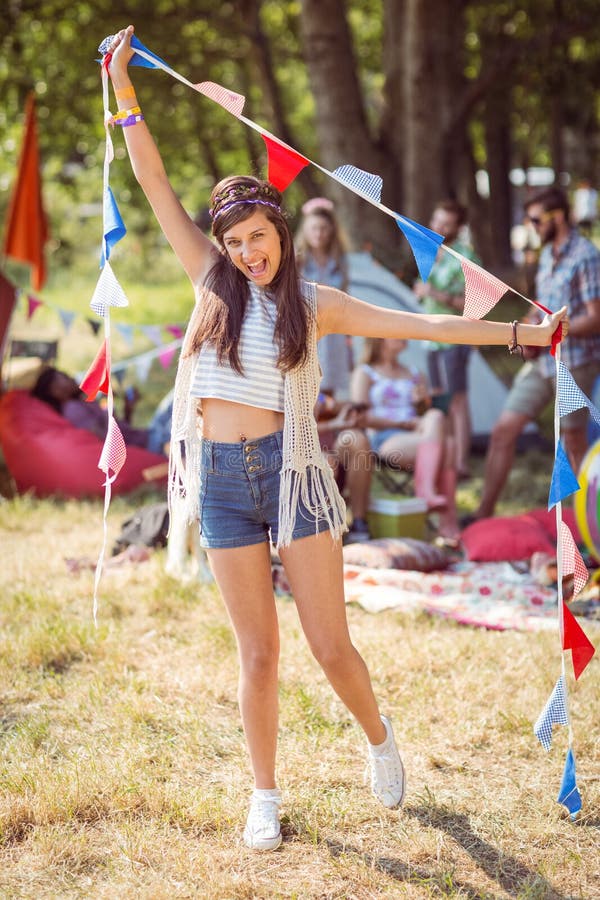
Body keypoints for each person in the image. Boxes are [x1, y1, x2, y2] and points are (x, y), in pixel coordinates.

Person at [105, 25, 568, 853]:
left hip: (292, 476)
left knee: (329, 645)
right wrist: (125, 92)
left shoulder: (316, 305)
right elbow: (152, 182)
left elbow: (425, 321)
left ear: (280, 231)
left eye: (258, 237)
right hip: (219, 477)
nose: (247, 253)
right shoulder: (207, 279)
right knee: (258, 655)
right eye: (234, 241)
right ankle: (265, 796)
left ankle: (378, 736)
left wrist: (523, 336)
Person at [471, 186, 600, 522]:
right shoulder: (545, 256)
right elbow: (540, 310)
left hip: (576, 362)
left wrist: (548, 334)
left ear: (557, 217)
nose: (532, 226)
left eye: (535, 219)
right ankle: (483, 515)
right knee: (503, 431)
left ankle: (589, 529)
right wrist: (526, 331)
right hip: (543, 362)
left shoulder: (585, 255)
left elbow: (595, 316)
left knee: (573, 442)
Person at [351, 338, 459, 540]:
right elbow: (360, 417)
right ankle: (447, 520)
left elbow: (424, 413)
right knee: (449, 444)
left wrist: (421, 404)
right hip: (385, 439)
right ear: (380, 339)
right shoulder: (365, 373)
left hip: (419, 435)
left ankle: (429, 495)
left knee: (435, 417)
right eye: (396, 333)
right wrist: (399, 424)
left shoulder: (415, 373)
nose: (404, 336)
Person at [413, 200, 479, 479]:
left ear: (457, 228)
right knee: (439, 399)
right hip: (431, 336)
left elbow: (475, 304)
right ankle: (448, 458)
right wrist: (420, 292)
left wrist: (437, 295)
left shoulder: (466, 257)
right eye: (436, 220)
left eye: (446, 224)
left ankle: (462, 461)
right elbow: (423, 292)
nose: (438, 227)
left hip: (455, 336)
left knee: (458, 400)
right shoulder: (428, 250)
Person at [31, 366, 170, 455]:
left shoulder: (79, 403)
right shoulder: (72, 410)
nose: (71, 378)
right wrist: (107, 404)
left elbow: (122, 430)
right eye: (63, 377)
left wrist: (128, 409)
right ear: (54, 391)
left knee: (174, 401)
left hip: (148, 436)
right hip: (152, 444)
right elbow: (105, 438)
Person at [296, 198, 353, 399]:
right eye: (314, 228)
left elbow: (346, 298)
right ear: (306, 230)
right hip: (306, 330)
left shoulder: (339, 262)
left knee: (329, 390)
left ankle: (327, 429)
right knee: (305, 386)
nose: (319, 234)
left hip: (333, 332)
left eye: (324, 229)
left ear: (332, 231)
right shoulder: (298, 260)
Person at [314, 392, 372, 543]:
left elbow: (340, 404)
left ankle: (358, 522)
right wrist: (333, 424)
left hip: (333, 457)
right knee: (325, 462)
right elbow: (286, 430)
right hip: (300, 460)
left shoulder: (312, 387)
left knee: (356, 439)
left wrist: (335, 406)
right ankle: (323, 533)